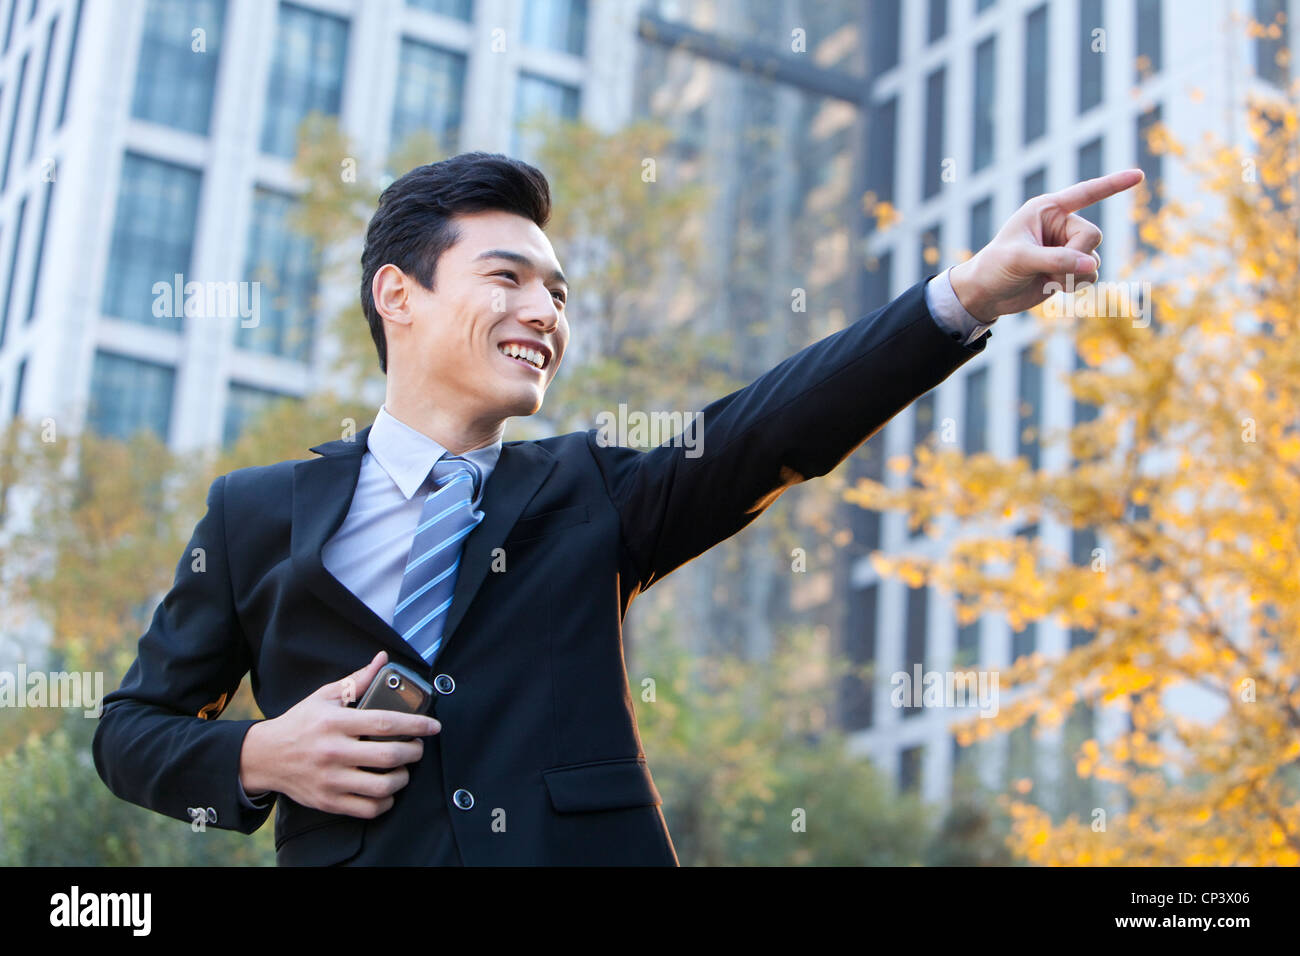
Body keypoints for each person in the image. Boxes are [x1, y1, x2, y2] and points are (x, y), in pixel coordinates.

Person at [92, 152, 1142, 865]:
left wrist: (963, 294)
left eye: (557, 294)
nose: (544, 312)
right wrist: (254, 755)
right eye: (508, 276)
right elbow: (130, 731)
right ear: (396, 294)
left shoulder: (589, 488)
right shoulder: (254, 513)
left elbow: (766, 426)